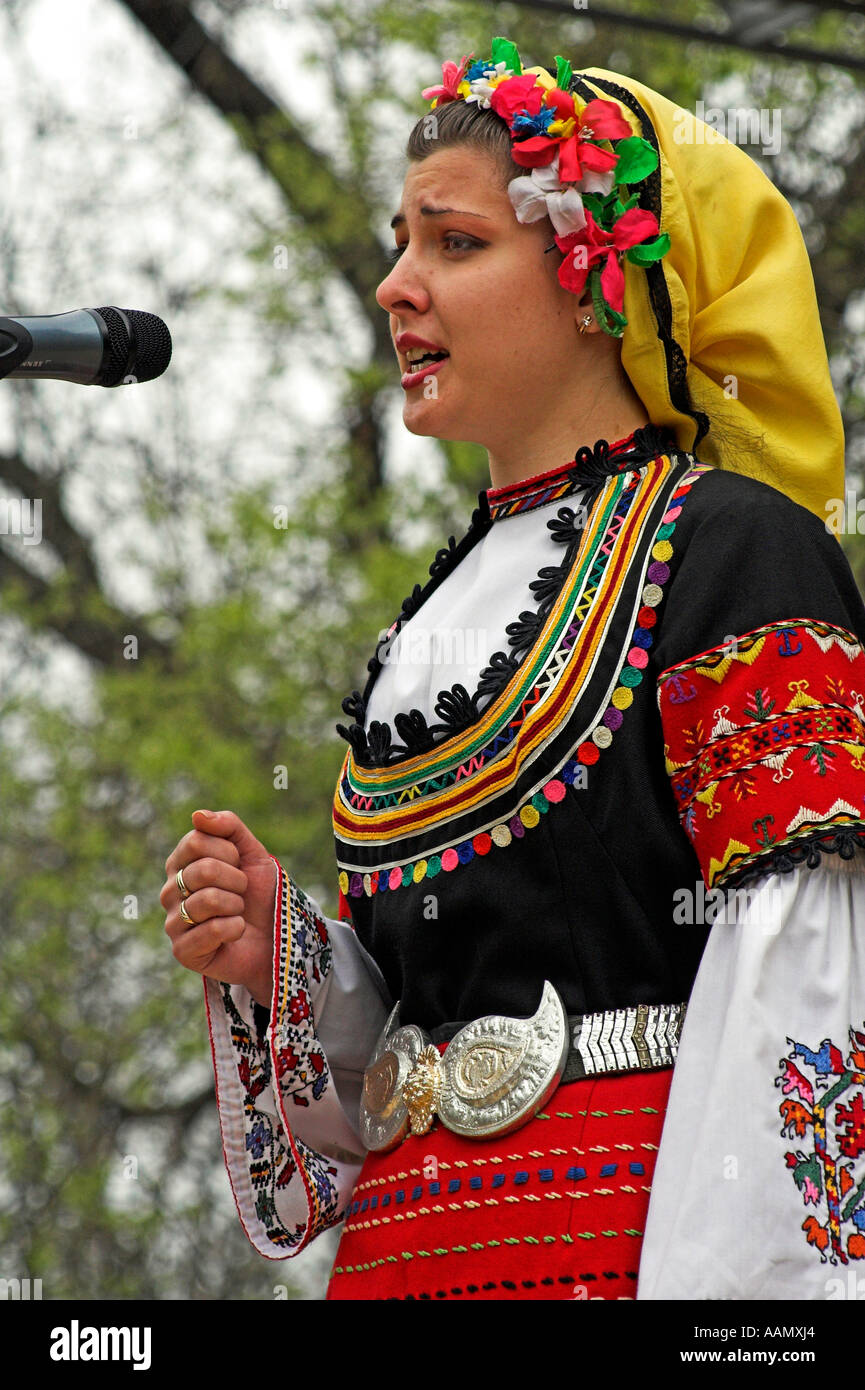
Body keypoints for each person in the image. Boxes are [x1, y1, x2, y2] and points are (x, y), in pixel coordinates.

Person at [161, 37, 865, 1300]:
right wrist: (289, 954)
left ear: (595, 281)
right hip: (403, 1263)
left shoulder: (740, 554)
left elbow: (798, 983)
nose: (393, 286)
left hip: (616, 1255)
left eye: (454, 243)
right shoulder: (425, 626)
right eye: (397, 243)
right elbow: (423, 1048)